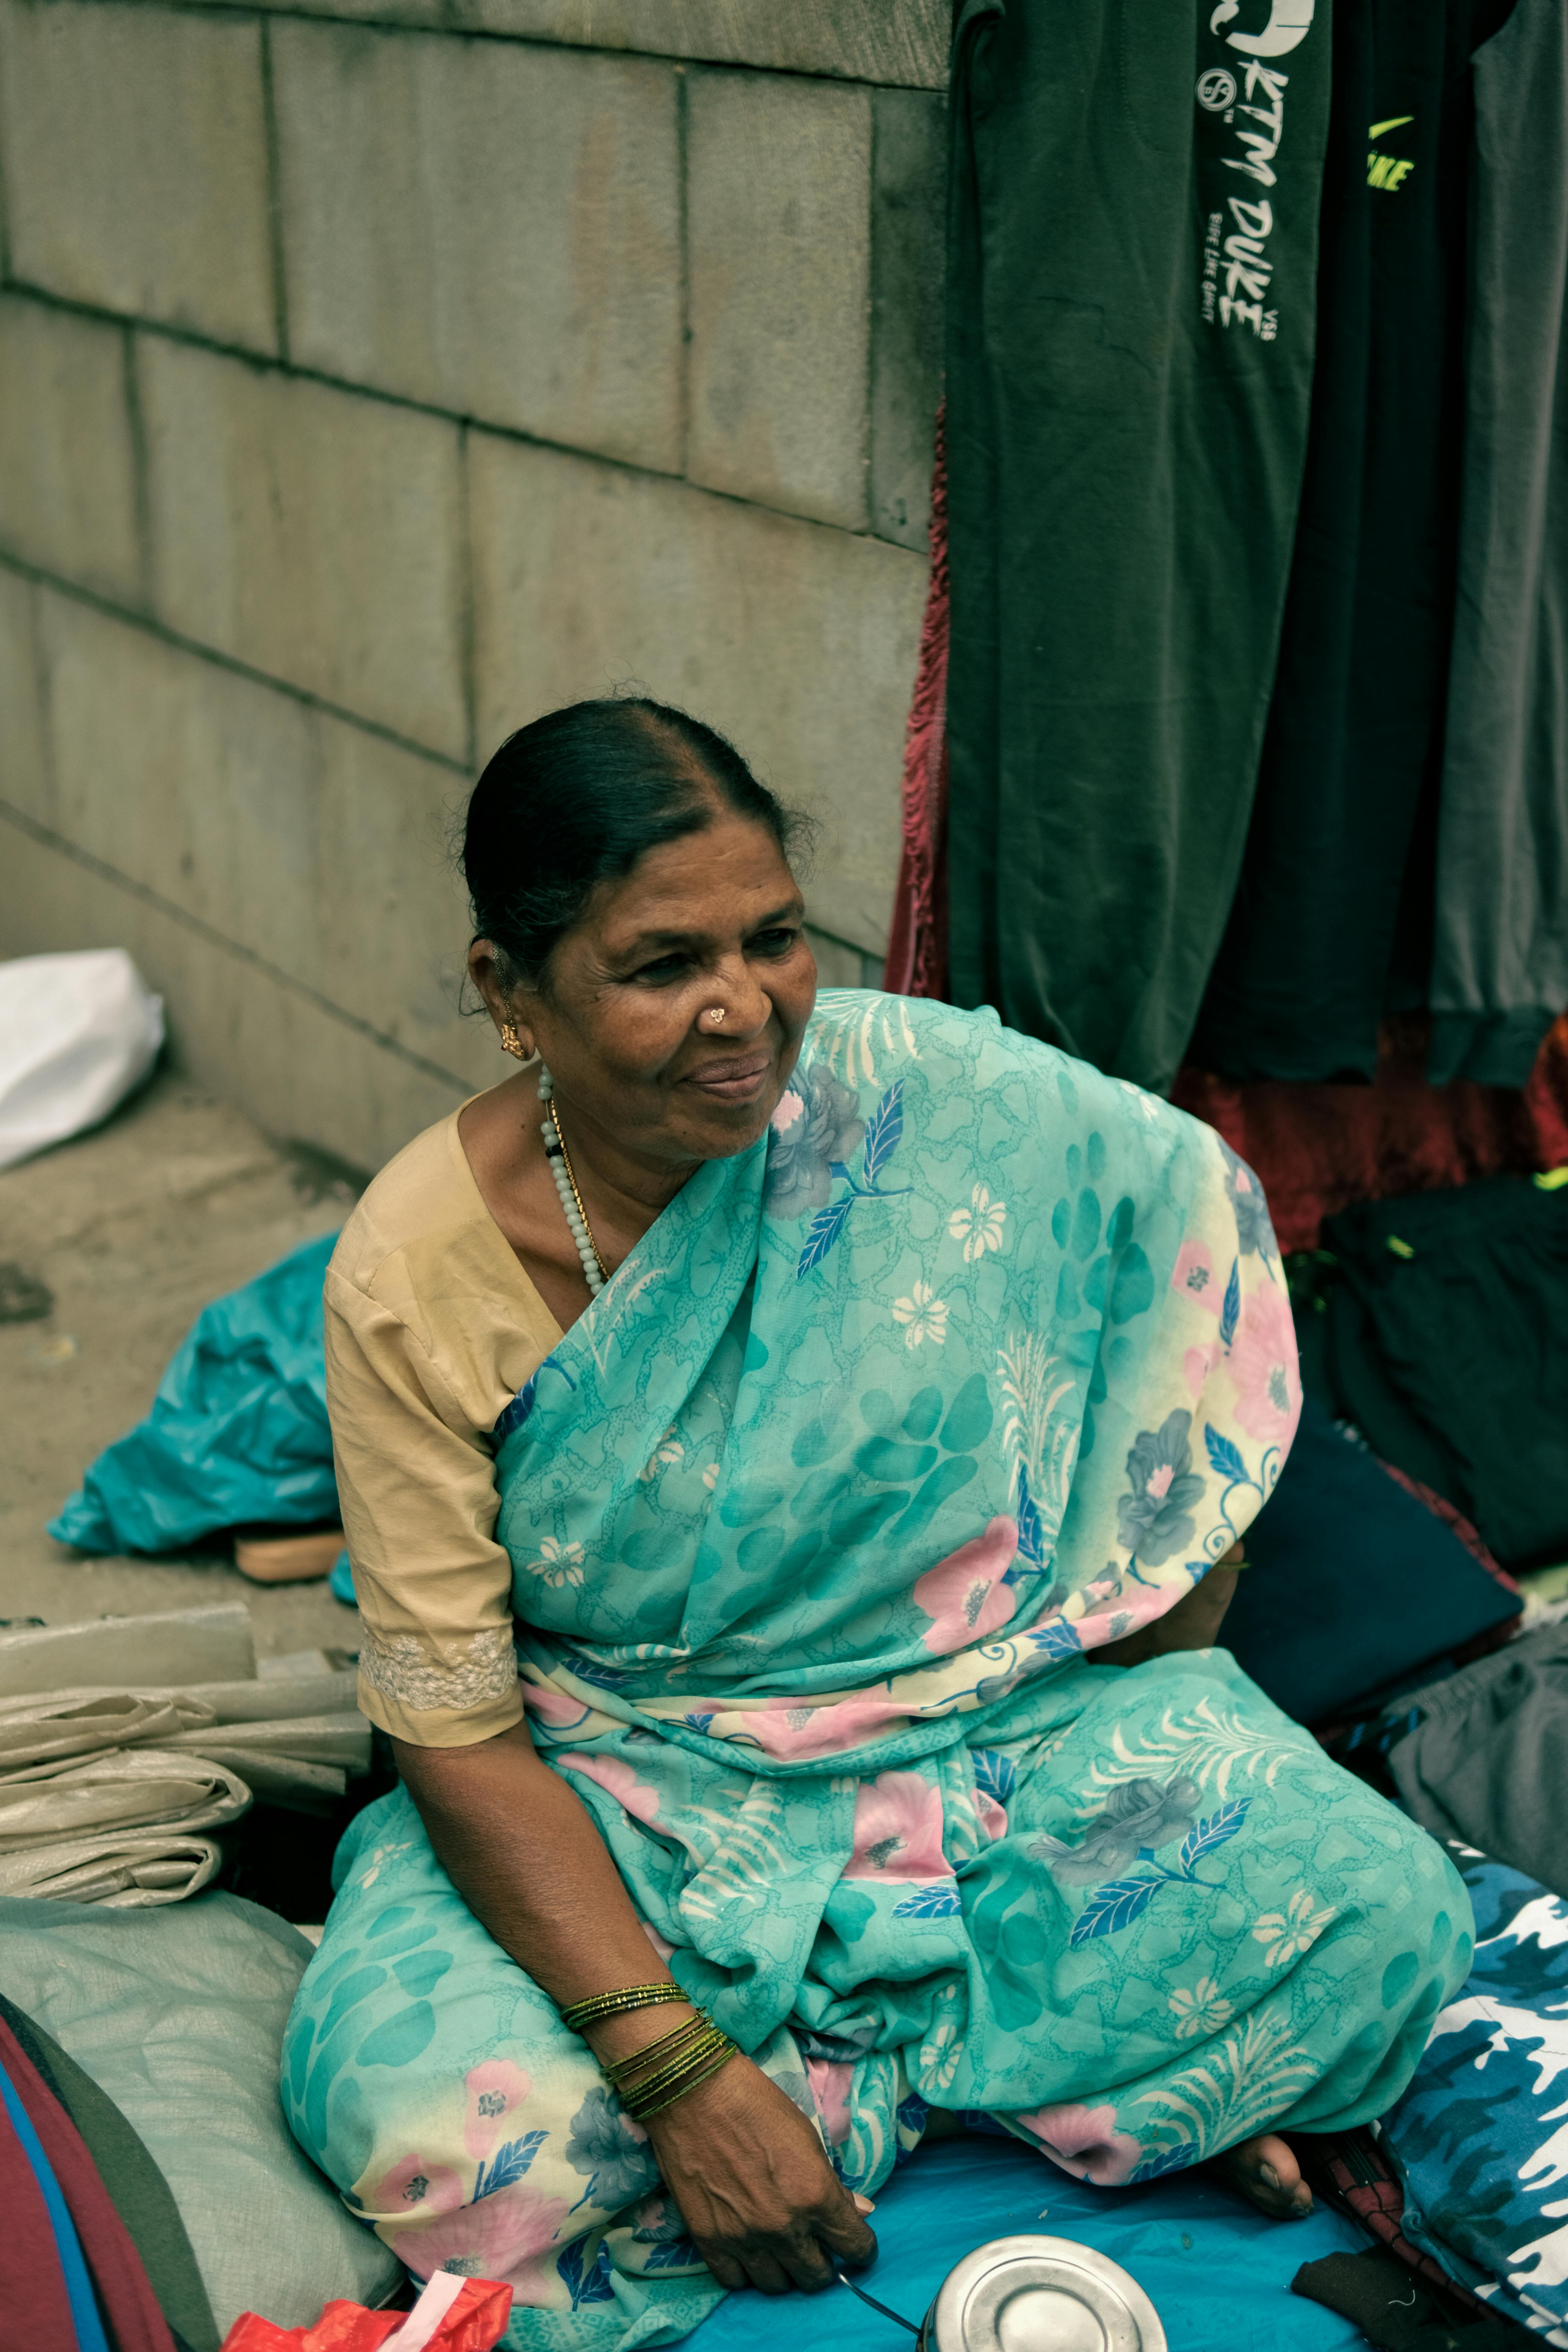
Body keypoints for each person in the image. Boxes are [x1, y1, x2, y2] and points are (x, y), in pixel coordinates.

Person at [283, 698, 1471, 2346]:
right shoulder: (411, 1272)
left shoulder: (914, 1099)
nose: (740, 1009)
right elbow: (455, 1733)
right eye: (657, 965)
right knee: (452, 2149)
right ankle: (1026, 2096)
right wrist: (674, 2067)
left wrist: (1128, 1667)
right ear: (508, 996)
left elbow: (1180, 1232)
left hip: (980, 1742)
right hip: (630, 1788)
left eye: (774, 938)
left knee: (1381, 1914)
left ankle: (855, 2096)